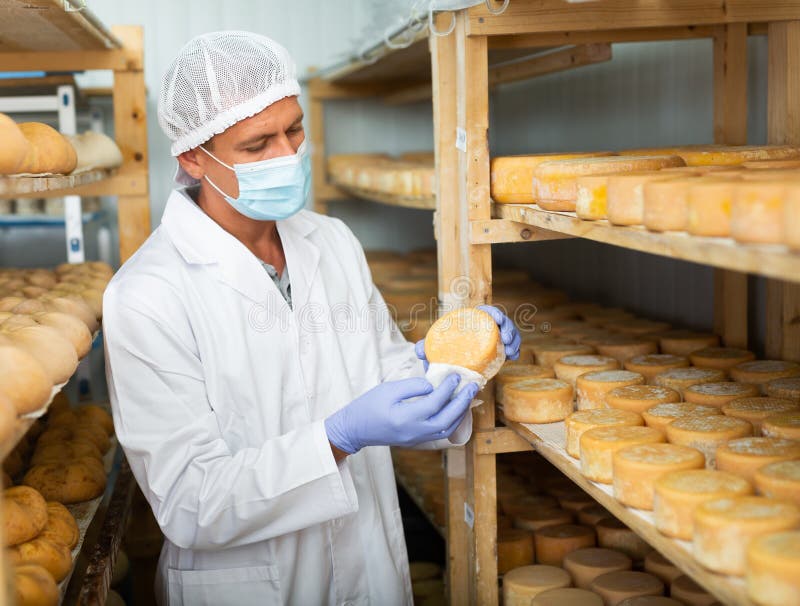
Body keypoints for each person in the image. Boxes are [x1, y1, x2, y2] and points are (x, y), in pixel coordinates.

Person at [103, 31, 520, 606]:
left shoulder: (331, 240)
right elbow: (190, 500)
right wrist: (336, 439)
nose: (287, 155)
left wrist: (452, 365)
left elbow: (380, 374)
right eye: (257, 145)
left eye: (294, 130)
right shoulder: (146, 296)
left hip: (368, 567)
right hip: (252, 587)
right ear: (194, 158)